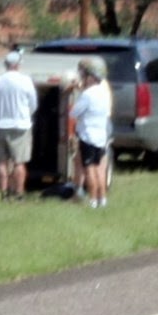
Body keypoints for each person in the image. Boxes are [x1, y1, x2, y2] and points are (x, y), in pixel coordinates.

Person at [0, 49, 38, 201]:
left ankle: (3, 193)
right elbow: (33, 103)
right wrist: (27, 114)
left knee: (1, 162)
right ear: (18, 65)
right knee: (19, 162)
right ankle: (18, 193)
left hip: (0, 124)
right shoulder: (26, 81)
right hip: (20, 125)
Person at [70, 56, 111, 209]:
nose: (83, 78)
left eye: (85, 76)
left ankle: (93, 200)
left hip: (88, 136)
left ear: (91, 77)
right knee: (100, 168)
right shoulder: (104, 92)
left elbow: (73, 113)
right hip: (101, 135)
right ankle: (103, 199)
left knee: (90, 169)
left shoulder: (88, 94)